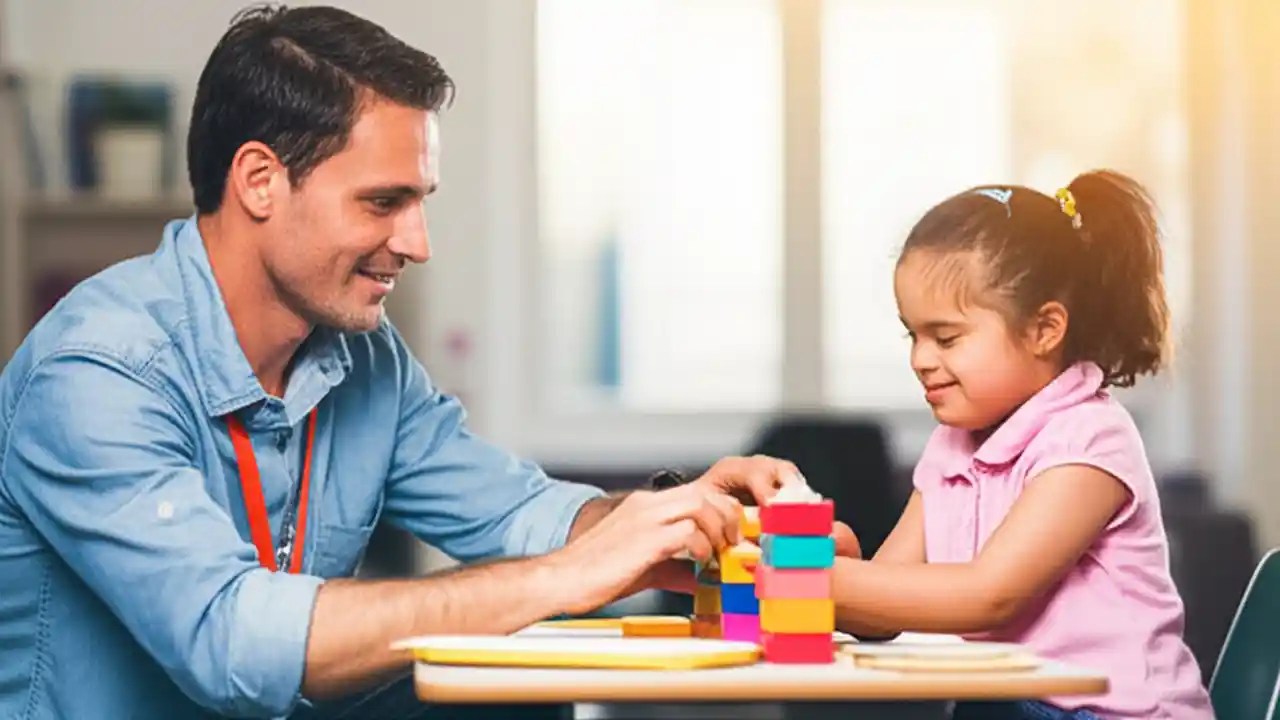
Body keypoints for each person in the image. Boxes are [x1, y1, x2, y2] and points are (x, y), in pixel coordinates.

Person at [0, 6, 850, 719]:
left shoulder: (364, 357)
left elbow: (519, 512)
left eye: (421, 201)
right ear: (259, 181)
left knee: (516, 691)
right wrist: (563, 577)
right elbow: (230, 641)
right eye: (383, 202)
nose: (417, 243)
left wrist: (674, 525)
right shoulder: (96, 373)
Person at [827, 171, 1213, 719]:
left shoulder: (1090, 439)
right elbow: (883, 611)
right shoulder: (952, 446)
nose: (919, 358)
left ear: (1044, 329)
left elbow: (989, 596)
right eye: (912, 335)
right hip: (1016, 703)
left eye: (947, 337)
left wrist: (827, 583)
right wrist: (823, 565)